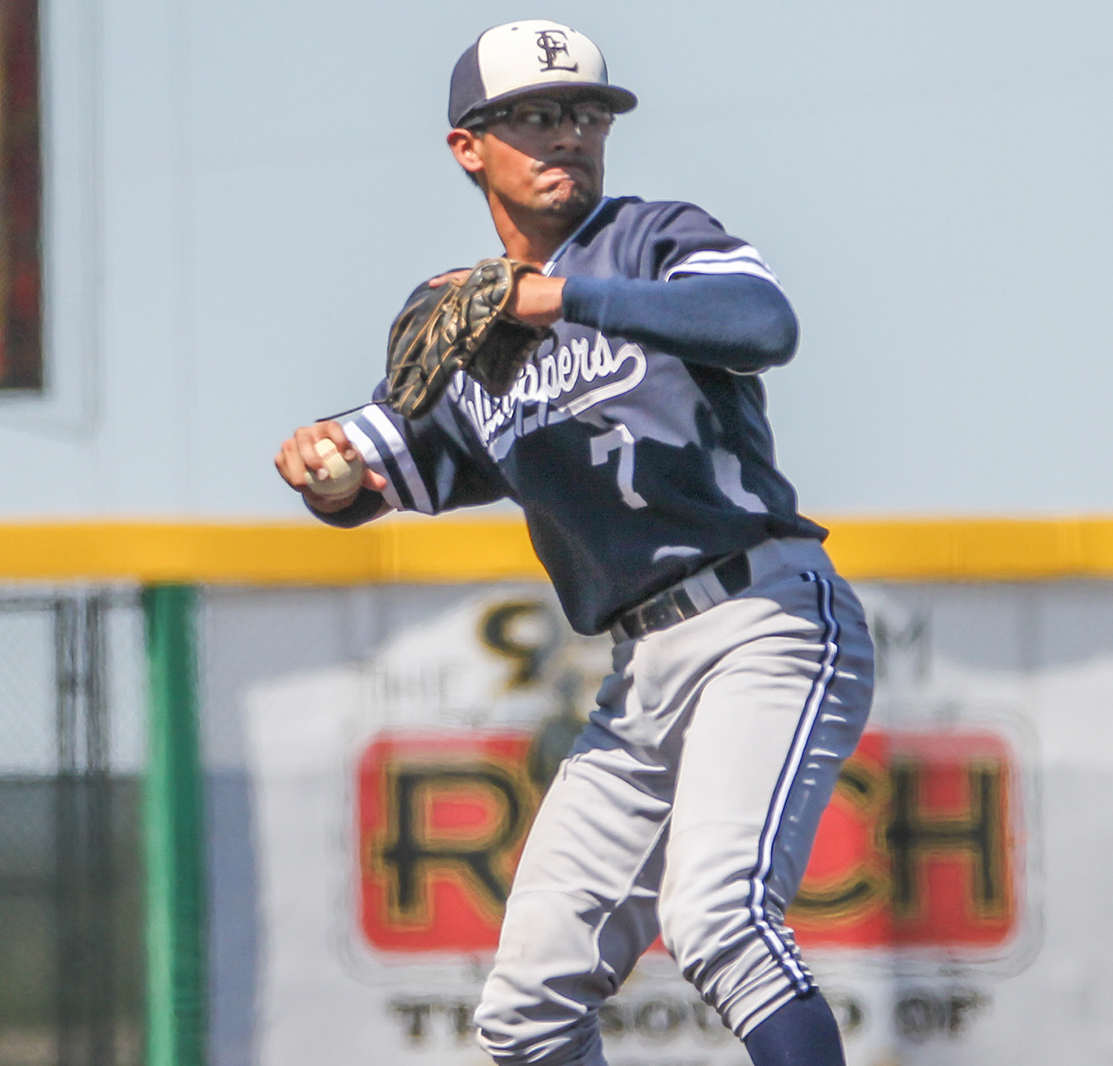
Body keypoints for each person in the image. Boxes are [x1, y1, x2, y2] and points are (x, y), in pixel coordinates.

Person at [272, 20, 875, 1066]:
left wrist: (569, 297)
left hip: (762, 621)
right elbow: (374, 469)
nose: (568, 136)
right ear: (470, 146)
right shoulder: (460, 327)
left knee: (721, 920)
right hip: (640, 676)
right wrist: (323, 467)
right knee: (527, 1012)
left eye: (585, 114)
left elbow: (763, 323)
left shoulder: (650, 241)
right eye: (535, 118)